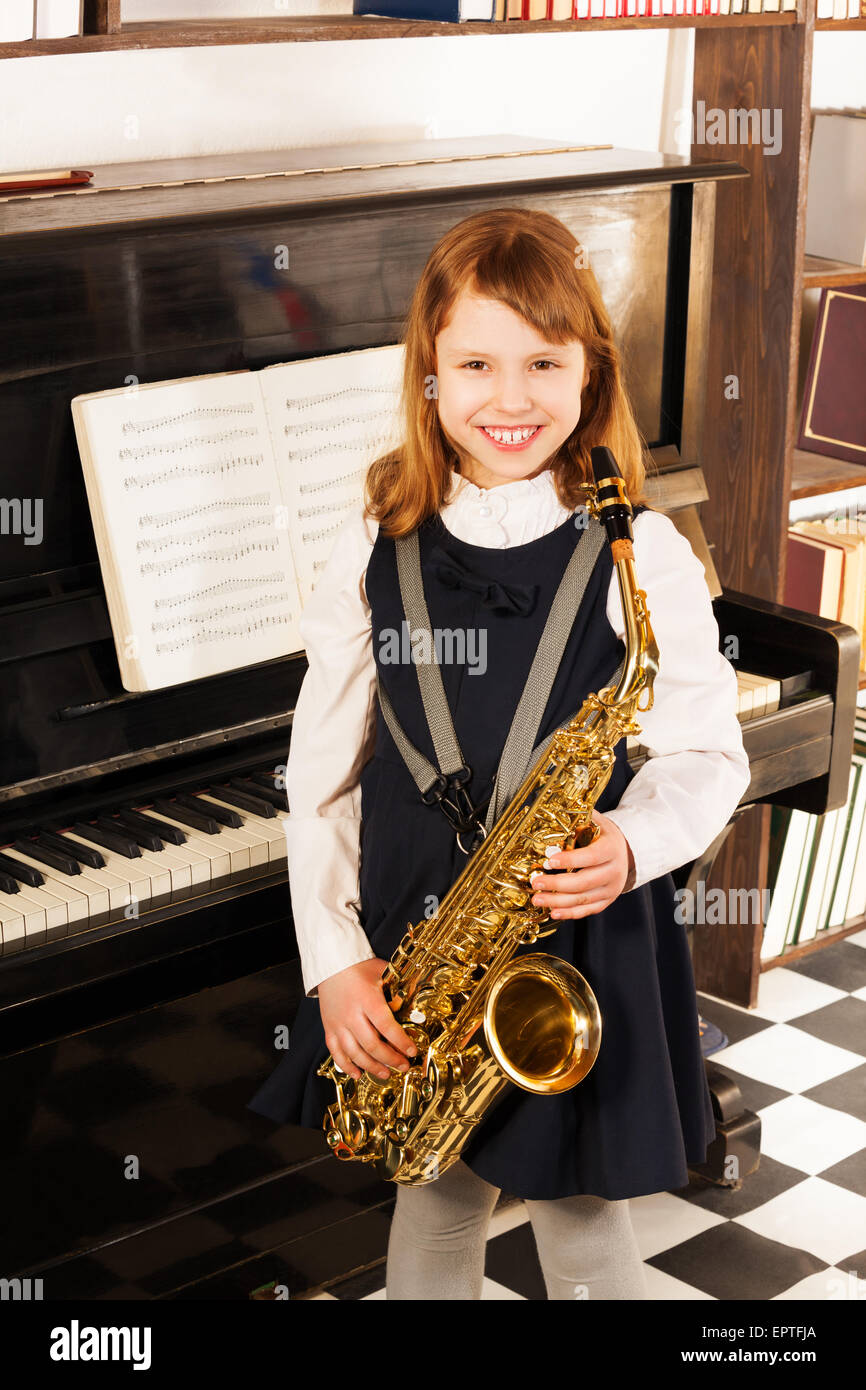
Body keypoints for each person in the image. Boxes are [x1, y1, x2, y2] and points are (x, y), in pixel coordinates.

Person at [247, 207, 751, 1301]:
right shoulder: (371, 540)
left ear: (589, 371)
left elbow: (708, 753)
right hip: (420, 926)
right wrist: (333, 958)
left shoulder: (640, 548)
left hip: (574, 931)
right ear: (427, 374)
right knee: (430, 1202)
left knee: (579, 1219)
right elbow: (320, 777)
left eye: (541, 361)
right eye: (474, 363)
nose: (509, 398)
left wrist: (631, 840)